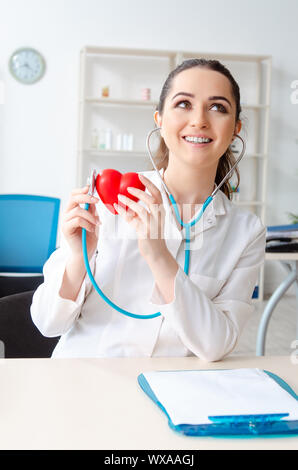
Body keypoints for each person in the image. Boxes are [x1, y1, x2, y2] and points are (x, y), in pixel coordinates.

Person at [30, 58, 266, 360]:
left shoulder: (246, 231)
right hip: (86, 382)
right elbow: (48, 323)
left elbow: (215, 346)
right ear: (159, 119)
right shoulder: (107, 199)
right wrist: (79, 258)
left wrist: (158, 255)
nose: (199, 120)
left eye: (217, 107)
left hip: (174, 390)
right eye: (184, 104)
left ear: (235, 129)